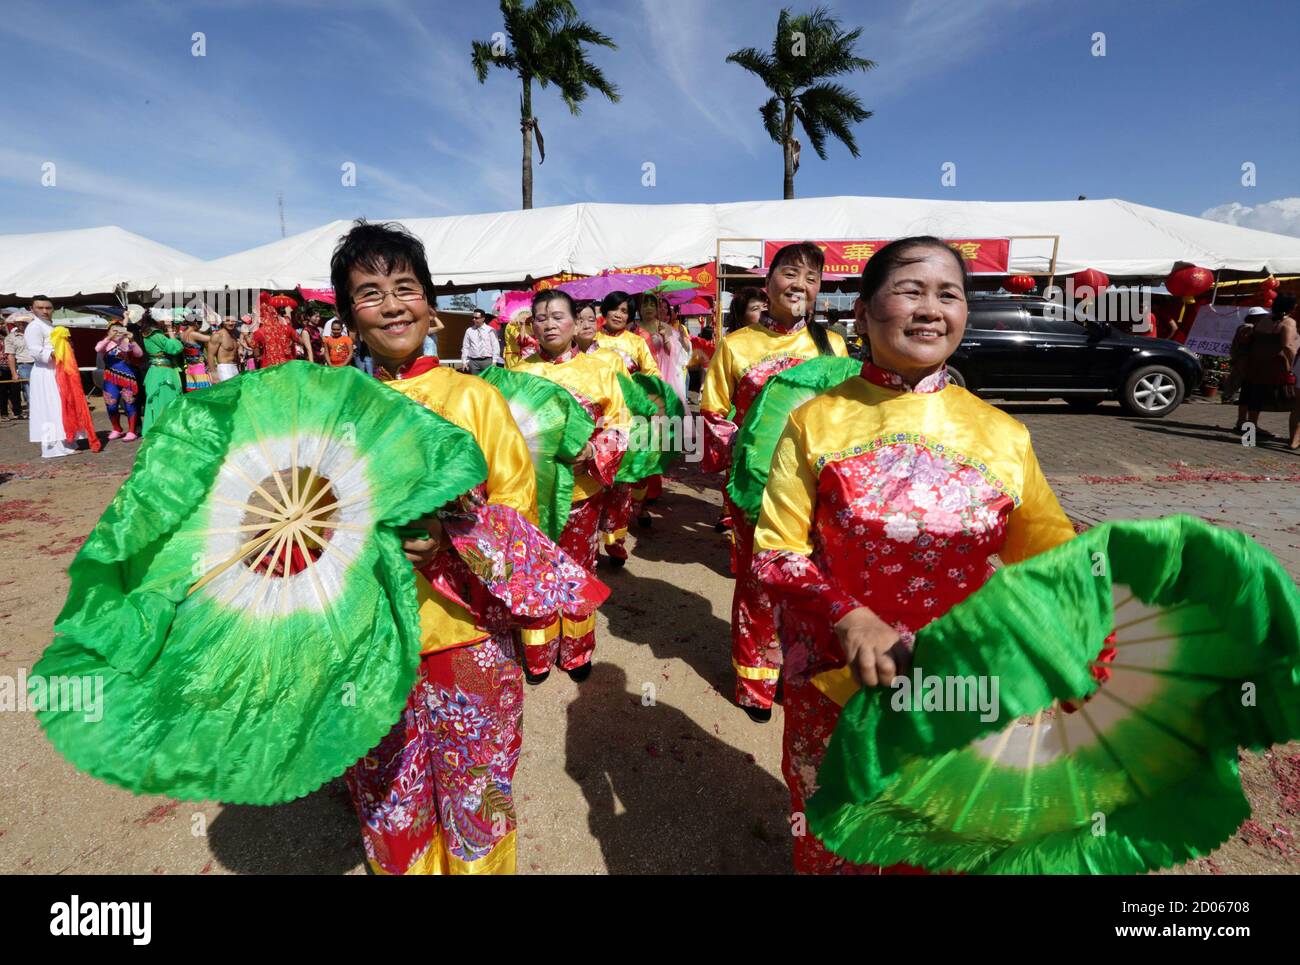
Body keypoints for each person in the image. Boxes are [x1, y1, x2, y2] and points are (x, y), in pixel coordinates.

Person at [749, 236, 1076, 874]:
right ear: (866, 311)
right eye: (910, 290)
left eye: (948, 294)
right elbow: (775, 553)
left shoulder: (1004, 435)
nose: (931, 309)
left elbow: (1053, 549)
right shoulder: (816, 421)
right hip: (838, 685)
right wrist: (848, 615)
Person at [330, 220, 561, 875]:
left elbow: (522, 526)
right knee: (390, 809)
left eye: (406, 287)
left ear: (431, 307)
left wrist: (448, 538)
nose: (393, 304)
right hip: (371, 650)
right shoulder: (331, 411)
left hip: (470, 644)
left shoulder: (477, 400)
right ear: (350, 314)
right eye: (370, 293)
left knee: (478, 805)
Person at [700, 242, 849, 721]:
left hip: (818, 489)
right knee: (760, 581)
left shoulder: (833, 346)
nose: (800, 285)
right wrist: (742, 454)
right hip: (755, 490)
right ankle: (755, 680)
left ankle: (798, 669)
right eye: (790, 273)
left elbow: (847, 415)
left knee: (812, 580)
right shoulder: (737, 345)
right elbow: (713, 413)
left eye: (811, 277)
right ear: (768, 284)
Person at [514, 289, 630, 683]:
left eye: (557, 316)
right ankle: (538, 654)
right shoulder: (519, 374)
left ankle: (577, 651)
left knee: (578, 570)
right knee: (536, 572)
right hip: (532, 494)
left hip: (582, 494)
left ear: (576, 320)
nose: (549, 324)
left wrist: (592, 451)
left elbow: (621, 426)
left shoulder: (599, 371)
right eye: (541, 317)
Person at [22, 296, 86, 458]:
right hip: (46, 373)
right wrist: (56, 353)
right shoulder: (34, 327)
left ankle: (67, 440)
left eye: (48, 308)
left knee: (61, 406)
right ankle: (52, 446)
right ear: (32, 308)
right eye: (40, 308)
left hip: (60, 371)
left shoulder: (50, 325)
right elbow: (35, 351)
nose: (44, 311)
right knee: (49, 408)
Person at [1235, 305, 1296, 438]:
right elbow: (1286, 345)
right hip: (1262, 366)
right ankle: (1251, 428)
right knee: (1256, 395)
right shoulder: (1265, 326)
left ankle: (1242, 421)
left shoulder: (1247, 328)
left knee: (1247, 393)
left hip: (1248, 365)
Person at [94, 323, 143, 440]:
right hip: (110, 378)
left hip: (128, 379)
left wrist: (132, 340)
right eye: (113, 330)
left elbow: (139, 354)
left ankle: (132, 431)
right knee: (111, 405)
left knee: (130, 403)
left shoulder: (126, 343)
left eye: (119, 330)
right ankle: (117, 429)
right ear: (108, 331)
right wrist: (109, 338)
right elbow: (97, 349)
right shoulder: (106, 344)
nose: (116, 332)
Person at [140, 310, 184, 435]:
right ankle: (165, 431)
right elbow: (175, 348)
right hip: (163, 373)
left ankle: (164, 430)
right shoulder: (154, 334)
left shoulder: (150, 332)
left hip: (160, 371)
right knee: (165, 403)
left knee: (163, 402)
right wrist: (170, 330)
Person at [250, 294, 299, 368]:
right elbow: (298, 339)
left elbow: (256, 353)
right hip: (286, 366)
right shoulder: (286, 326)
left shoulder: (258, 331)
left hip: (268, 368)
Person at [461, 307, 500, 374]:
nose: (474, 319)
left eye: (476, 318)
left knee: (488, 383)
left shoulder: (490, 330)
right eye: (473, 317)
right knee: (475, 383)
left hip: (488, 361)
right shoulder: (469, 330)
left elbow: (495, 346)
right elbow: (465, 347)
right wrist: (464, 362)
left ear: (483, 319)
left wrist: (494, 361)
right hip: (473, 362)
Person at [179, 319, 213, 391]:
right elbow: (211, 339)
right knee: (204, 392)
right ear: (196, 323)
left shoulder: (182, 334)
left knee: (194, 392)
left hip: (190, 367)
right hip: (199, 367)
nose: (200, 326)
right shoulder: (193, 334)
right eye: (200, 324)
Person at [1, 320, 26, 421]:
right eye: (0, 324)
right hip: (1, 366)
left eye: (3, 323)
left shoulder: (8, 335)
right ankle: (4, 414)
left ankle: (17, 412)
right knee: (2, 391)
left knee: (15, 390)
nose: (2, 325)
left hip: (12, 366)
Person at [208, 316, 243, 383]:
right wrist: (214, 375)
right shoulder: (218, 336)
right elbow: (210, 355)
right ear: (223, 322)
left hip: (235, 368)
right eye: (227, 320)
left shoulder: (234, 336)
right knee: (229, 391)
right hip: (224, 369)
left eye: (233, 321)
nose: (230, 323)